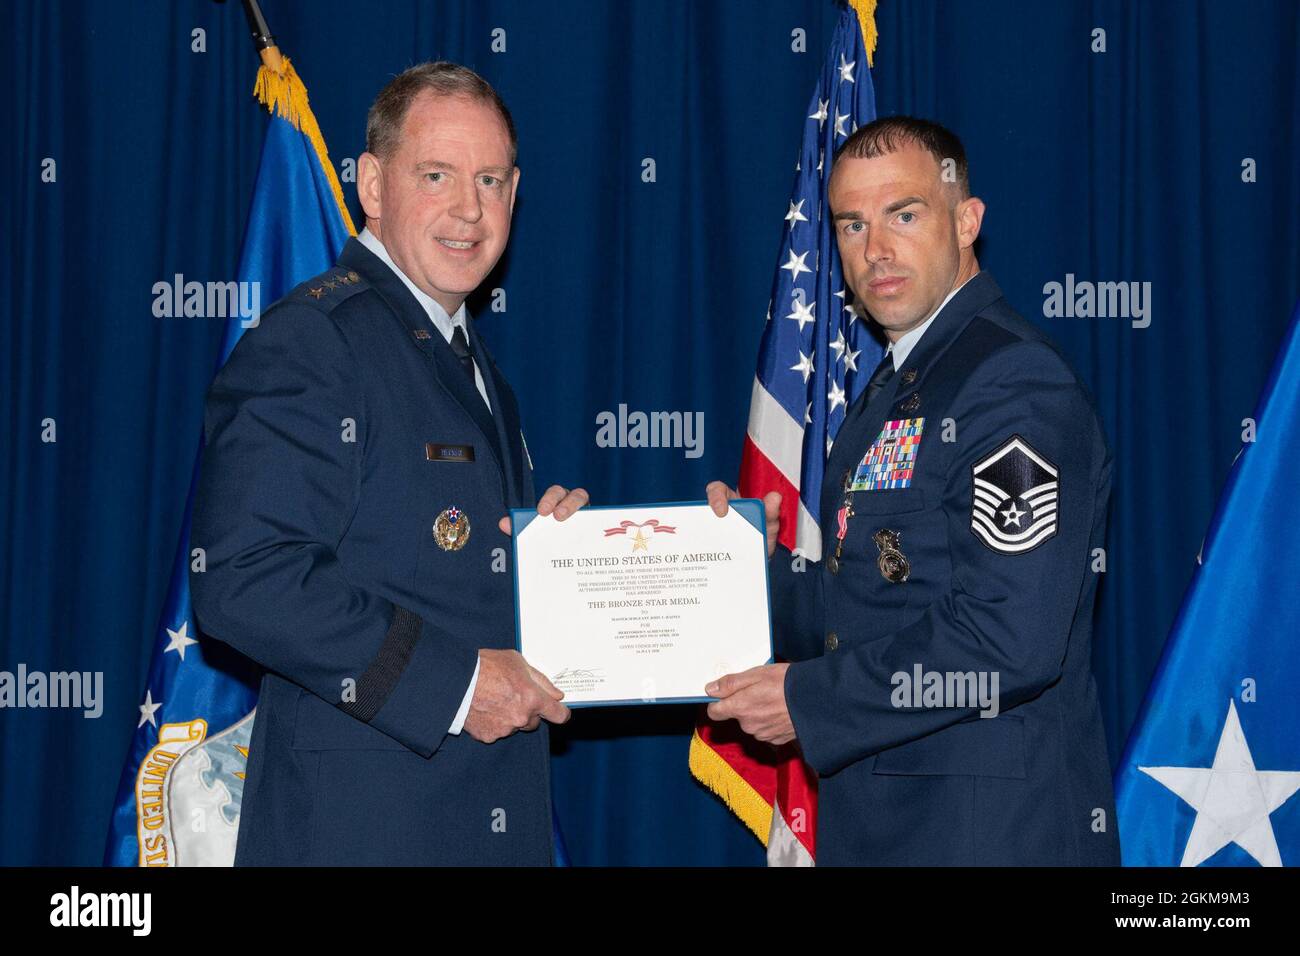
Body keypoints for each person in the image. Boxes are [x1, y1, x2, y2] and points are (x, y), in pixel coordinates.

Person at [190, 62, 587, 865]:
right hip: (359, 835)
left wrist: (554, 564)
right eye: (435, 175)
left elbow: (439, 573)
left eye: (491, 180)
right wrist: (459, 685)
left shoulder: (476, 370)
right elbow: (244, 576)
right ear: (372, 184)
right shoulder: (316, 340)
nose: (469, 209)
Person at [705, 116, 1120, 866]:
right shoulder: (897, 390)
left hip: (989, 838)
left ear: (967, 221)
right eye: (852, 224)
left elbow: (1008, 640)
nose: (876, 250)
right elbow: (869, 600)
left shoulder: (1013, 381)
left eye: (904, 214)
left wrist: (809, 701)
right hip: (890, 829)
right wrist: (741, 568)